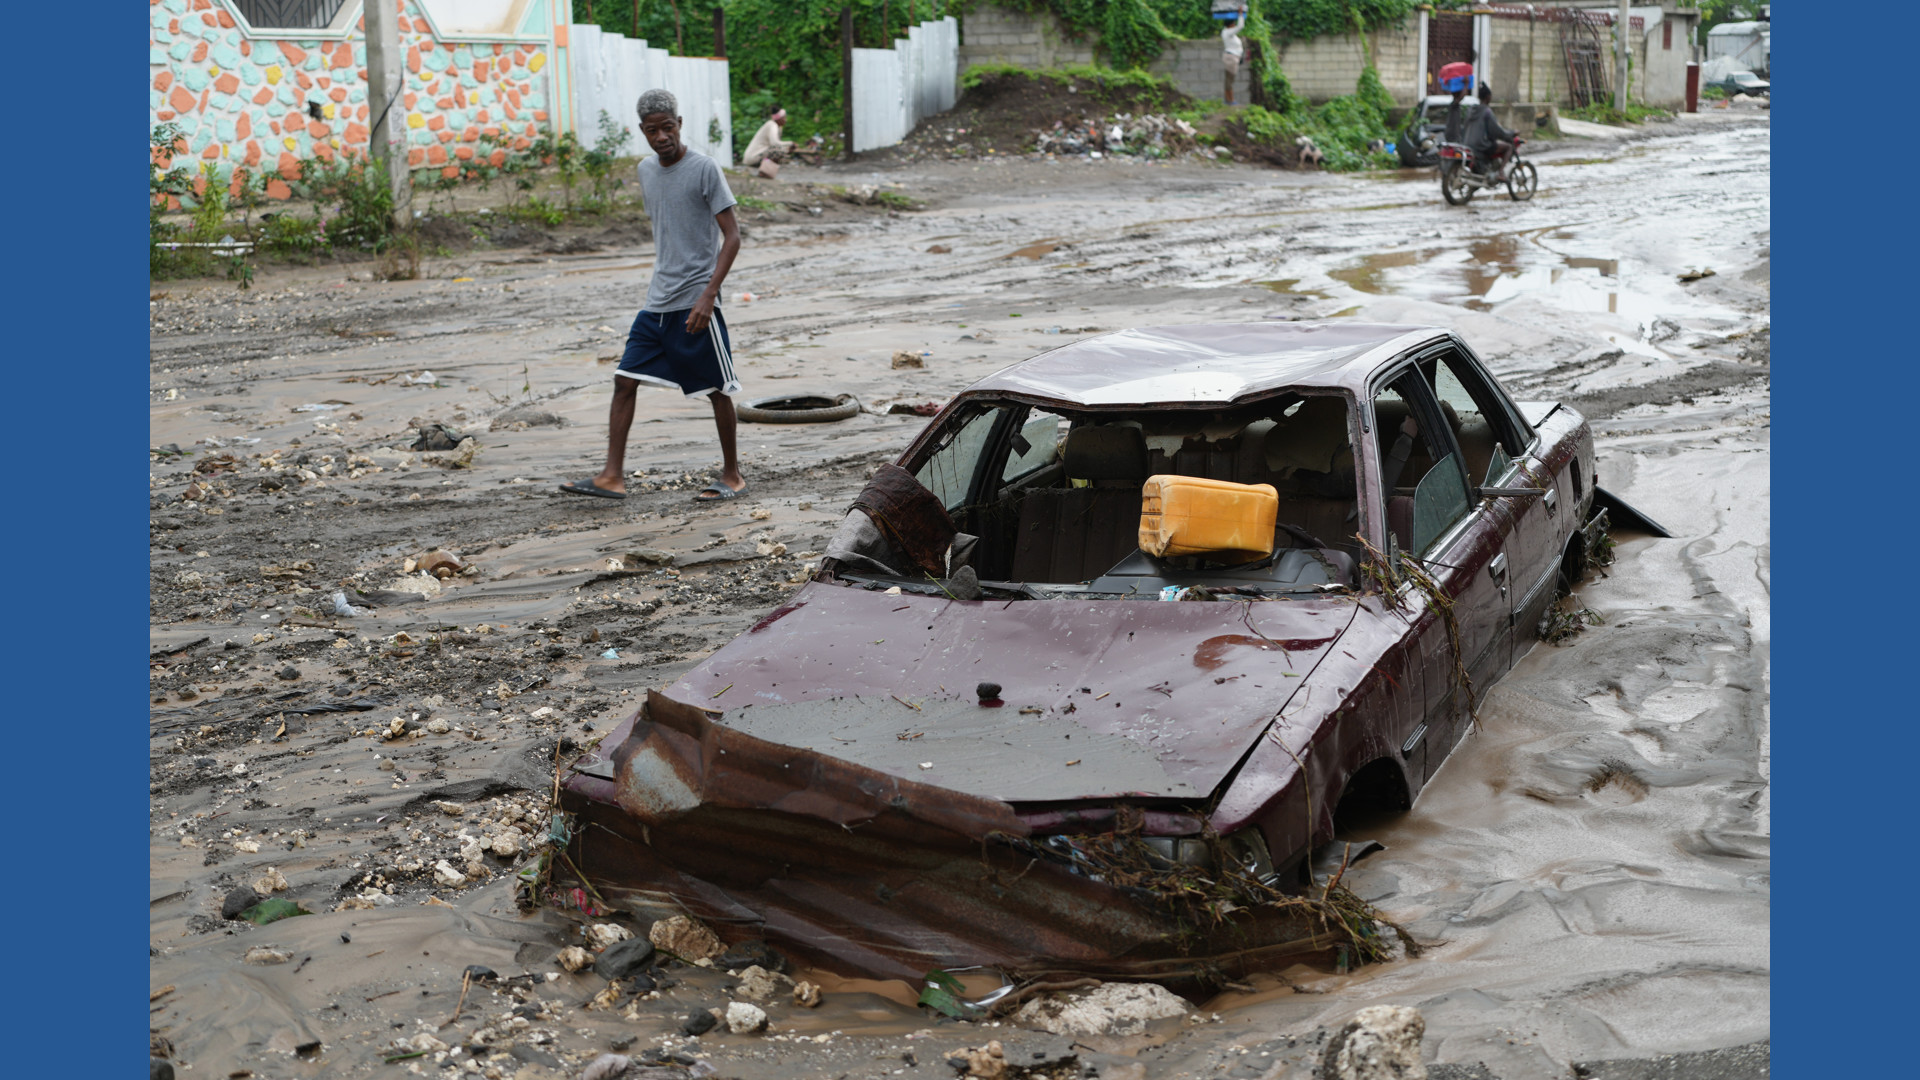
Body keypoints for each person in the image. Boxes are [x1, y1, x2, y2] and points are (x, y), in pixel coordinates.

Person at [559, 89, 746, 503]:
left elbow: (732, 237)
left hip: (696, 301)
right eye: (652, 130)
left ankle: (732, 475)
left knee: (717, 389)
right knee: (625, 380)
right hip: (657, 302)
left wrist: (708, 295)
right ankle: (611, 476)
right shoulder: (645, 171)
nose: (661, 136)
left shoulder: (705, 169)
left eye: (667, 127)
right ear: (641, 132)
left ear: (680, 124)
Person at [1464, 82, 1517, 179]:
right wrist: (1510, 134)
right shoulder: (1487, 112)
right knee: (1509, 147)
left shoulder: (1471, 110)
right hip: (1481, 145)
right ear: (1488, 97)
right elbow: (1496, 131)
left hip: (1467, 143)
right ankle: (1501, 172)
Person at [1221, 16, 1245, 106]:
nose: (1235, 24)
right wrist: (1240, 15)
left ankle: (1228, 99)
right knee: (1230, 79)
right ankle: (1230, 100)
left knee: (1229, 79)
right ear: (1230, 24)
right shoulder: (1228, 32)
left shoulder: (1227, 32)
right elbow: (1241, 26)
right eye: (1233, 23)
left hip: (1232, 58)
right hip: (1231, 58)